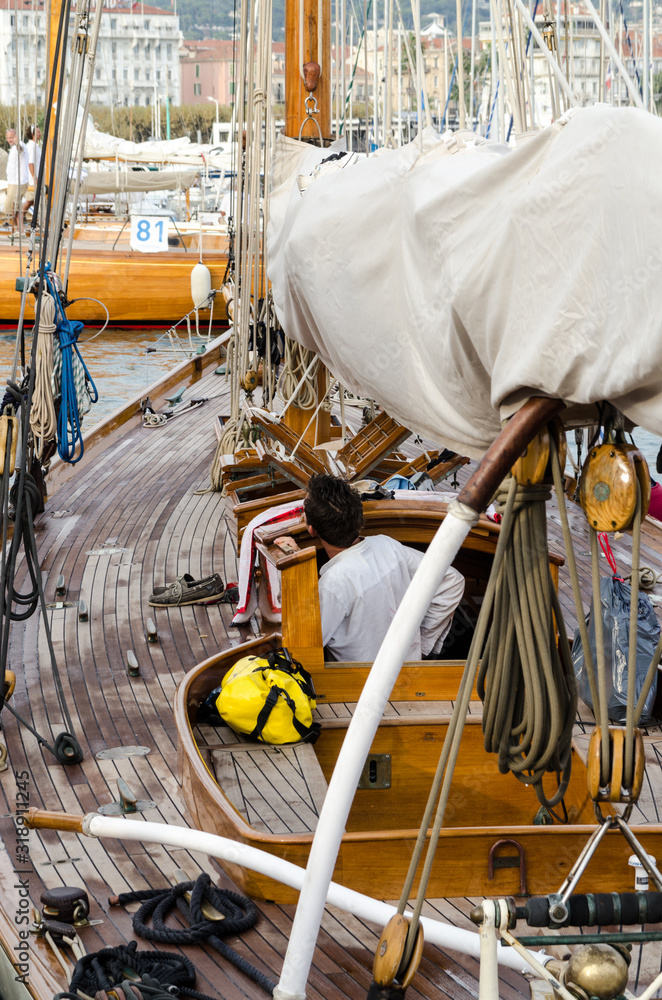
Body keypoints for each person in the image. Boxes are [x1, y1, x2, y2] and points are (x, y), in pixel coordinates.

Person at [278, 473, 465, 662]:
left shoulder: (332, 584)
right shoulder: (387, 545)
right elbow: (452, 580)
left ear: (312, 530)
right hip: (410, 671)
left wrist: (296, 560)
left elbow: (302, 648)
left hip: (360, 688)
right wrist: (422, 646)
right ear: (360, 519)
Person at [3, 129, 29, 231]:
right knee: (15, 207)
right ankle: (18, 228)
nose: (9, 140)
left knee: (14, 207)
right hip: (14, 182)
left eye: (11, 137)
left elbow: (20, 149)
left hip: (17, 182)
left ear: (16, 137)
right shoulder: (13, 148)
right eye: (8, 138)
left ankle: (17, 229)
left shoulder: (20, 145)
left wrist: (17, 142)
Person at [22, 125, 41, 225]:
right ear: (33, 134)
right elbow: (30, 163)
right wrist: (34, 178)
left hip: (36, 178)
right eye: (38, 132)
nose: (40, 134)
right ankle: (20, 217)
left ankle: (32, 219)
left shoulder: (36, 146)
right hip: (32, 179)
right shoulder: (31, 146)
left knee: (34, 201)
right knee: (30, 200)